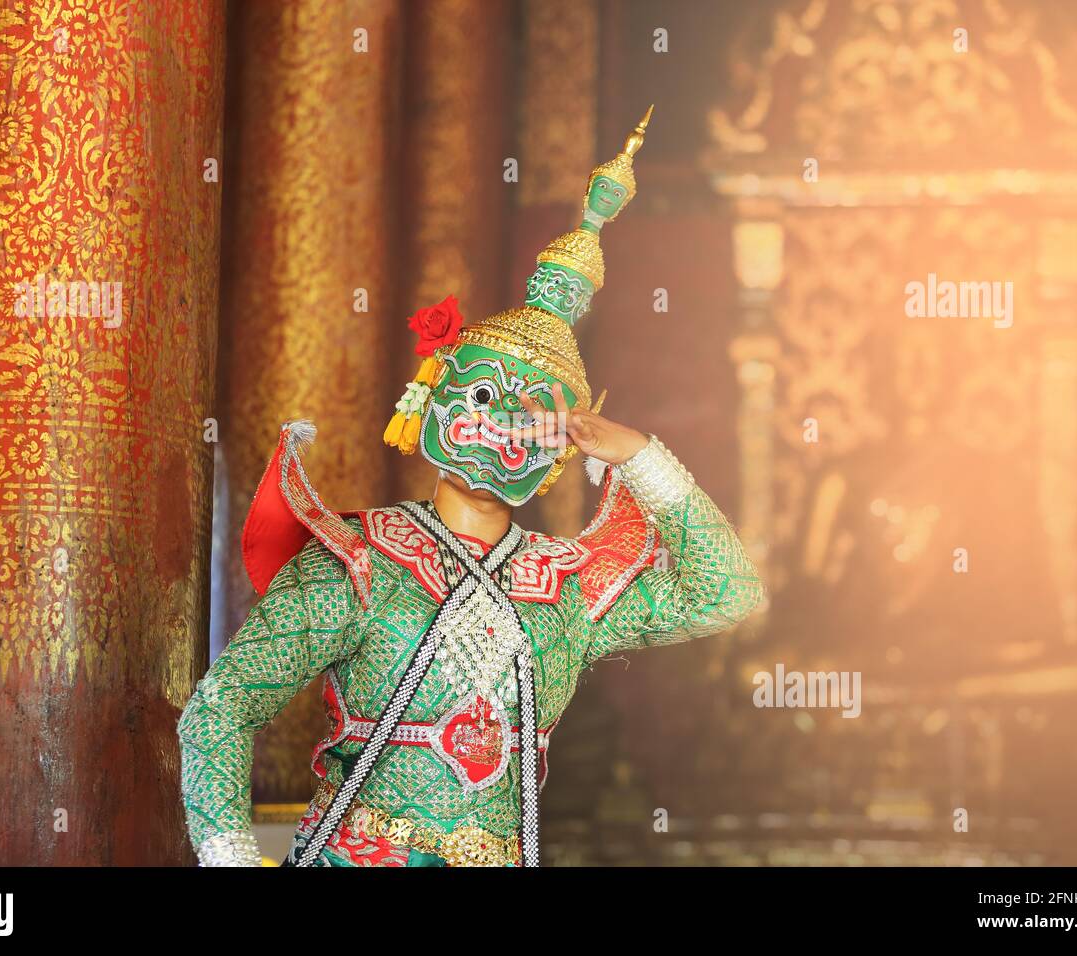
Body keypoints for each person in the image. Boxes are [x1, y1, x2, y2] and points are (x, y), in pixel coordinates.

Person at [177, 107, 765, 866]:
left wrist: (632, 453)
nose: (501, 423)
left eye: (530, 410)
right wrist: (228, 860)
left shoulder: (570, 593)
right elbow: (220, 712)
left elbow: (730, 593)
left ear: (559, 453)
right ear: (427, 399)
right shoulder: (358, 566)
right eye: (483, 397)